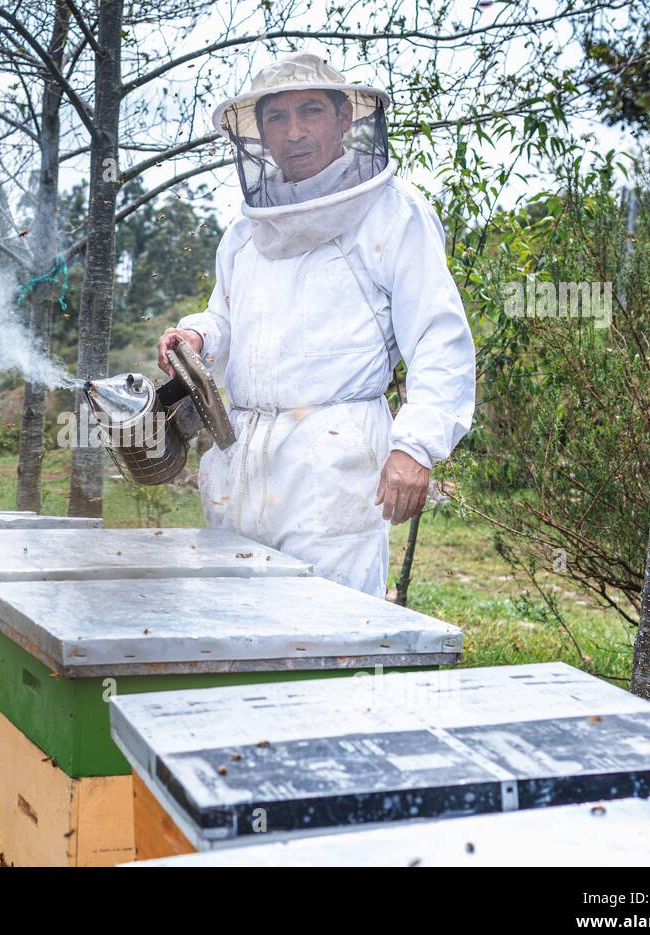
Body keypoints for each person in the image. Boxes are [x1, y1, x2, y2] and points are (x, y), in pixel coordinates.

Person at [157, 52, 476, 598]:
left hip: (333, 457)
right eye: (276, 118)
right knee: (232, 617)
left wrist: (415, 446)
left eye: (310, 112)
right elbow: (226, 314)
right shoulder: (244, 230)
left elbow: (438, 338)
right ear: (259, 133)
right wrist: (198, 336)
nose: (294, 132)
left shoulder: (395, 213)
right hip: (242, 451)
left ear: (345, 119)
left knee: (328, 626)